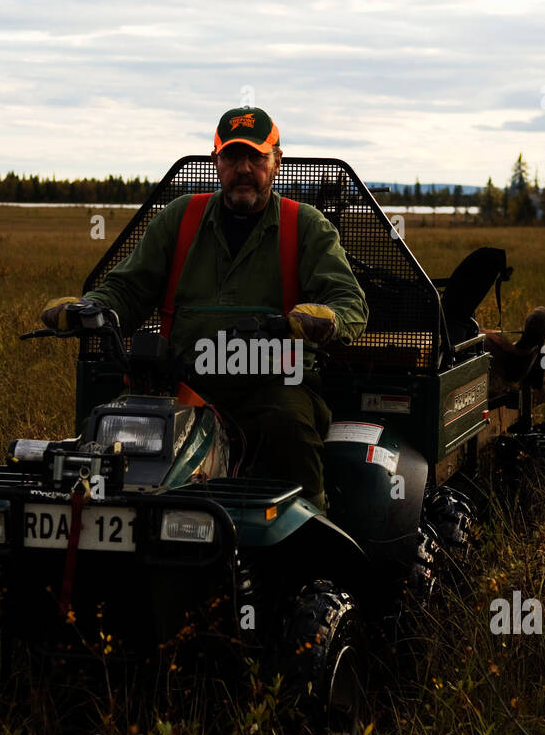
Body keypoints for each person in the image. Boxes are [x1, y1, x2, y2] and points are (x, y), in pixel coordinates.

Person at [40, 106, 368, 511]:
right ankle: (107, 533)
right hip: (182, 382)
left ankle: (313, 540)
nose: (243, 168)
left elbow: (349, 303)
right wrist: (90, 308)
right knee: (106, 436)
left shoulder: (306, 225)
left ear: (277, 162)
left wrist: (322, 319)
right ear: (216, 161)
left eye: (256, 157)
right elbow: (127, 288)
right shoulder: (180, 218)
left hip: (272, 382)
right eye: (232, 157)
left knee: (290, 428)